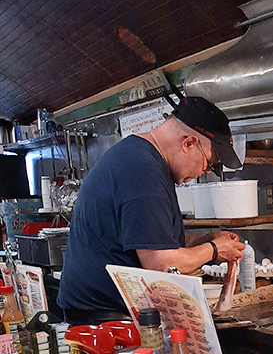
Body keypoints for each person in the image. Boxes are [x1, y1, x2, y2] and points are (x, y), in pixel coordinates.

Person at [58, 96, 246, 323]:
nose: (207, 171)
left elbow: (151, 241)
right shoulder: (142, 170)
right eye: (210, 162)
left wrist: (204, 240)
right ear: (188, 143)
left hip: (111, 315)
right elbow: (162, 265)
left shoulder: (141, 158)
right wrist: (214, 250)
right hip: (104, 322)